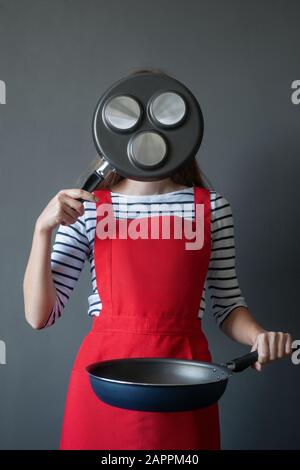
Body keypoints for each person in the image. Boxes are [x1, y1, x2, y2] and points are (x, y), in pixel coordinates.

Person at [23, 69, 292, 450]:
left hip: (186, 383)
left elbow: (229, 305)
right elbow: (39, 316)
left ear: (184, 131)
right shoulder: (86, 209)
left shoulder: (211, 208)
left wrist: (259, 337)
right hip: (104, 383)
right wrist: (42, 229)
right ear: (111, 132)